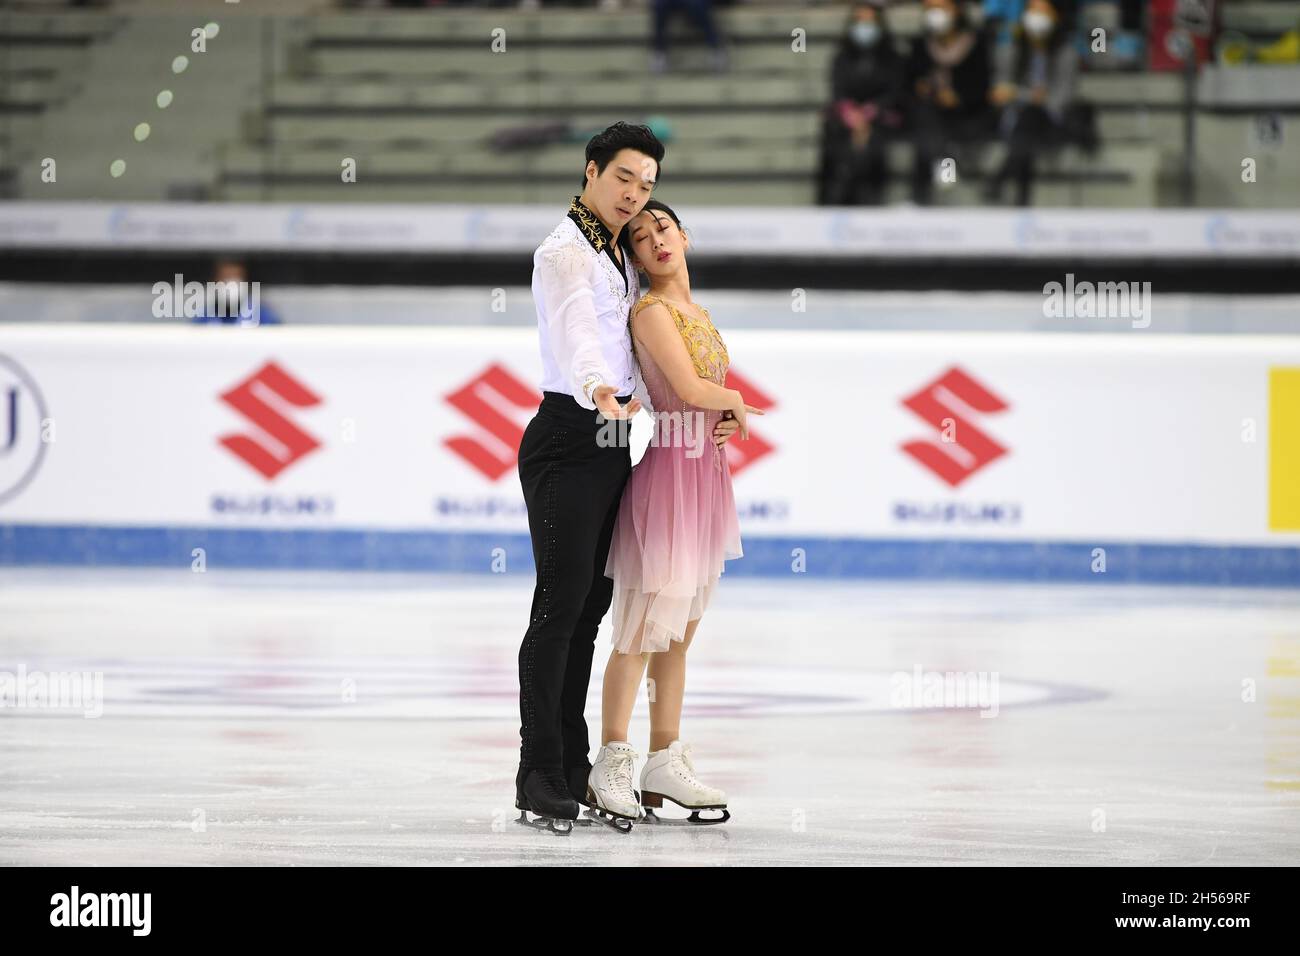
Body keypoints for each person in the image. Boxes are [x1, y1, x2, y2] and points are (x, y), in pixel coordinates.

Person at [514, 123, 739, 835]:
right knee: (560, 607)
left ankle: (577, 761)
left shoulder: (619, 252)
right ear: (590, 171)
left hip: (612, 440)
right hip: (570, 432)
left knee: (589, 610)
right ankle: (537, 773)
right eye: (623, 181)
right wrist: (598, 388)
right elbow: (577, 331)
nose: (633, 196)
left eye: (646, 187)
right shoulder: (564, 253)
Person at [584, 199, 763, 830]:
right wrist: (735, 401)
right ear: (633, 257)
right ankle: (611, 759)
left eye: (663, 227)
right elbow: (688, 391)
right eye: (640, 236)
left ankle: (664, 756)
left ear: (684, 235)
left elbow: (708, 398)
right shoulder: (651, 311)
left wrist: (730, 414)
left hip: (706, 481)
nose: (656, 238)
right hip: (668, 477)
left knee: (680, 634)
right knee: (637, 630)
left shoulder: (698, 312)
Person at [983, 0, 1096, 205]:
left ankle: (1002, 182)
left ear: (1056, 17)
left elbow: (1061, 98)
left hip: (1052, 121)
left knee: (1029, 120)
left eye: (1043, 11)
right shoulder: (1013, 50)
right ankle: (1018, 200)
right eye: (1032, 10)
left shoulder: (1066, 53)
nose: (1036, 16)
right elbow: (1000, 90)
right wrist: (1029, 96)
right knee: (1026, 123)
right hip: (1014, 118)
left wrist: (1022, 96)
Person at [817, 1, 906, 206]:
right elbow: (837, 90)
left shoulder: (893, 58)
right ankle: (832, 198)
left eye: (869, 21)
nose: (864, 26)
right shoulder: (842, 57)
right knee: (833, 134)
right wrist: (851, 114)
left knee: (872, 142)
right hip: (847, 117)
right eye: (859, 21)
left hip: (881, 116)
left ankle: (871, 198)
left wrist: (869, 112)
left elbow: (895, 92)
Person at [906, 0, 993, 205]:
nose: (935, 13)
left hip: (968, 113)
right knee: (930, 128)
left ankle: (943, 183)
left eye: (942, 7)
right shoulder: (921, 45)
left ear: (957, 10)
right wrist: (922, 88)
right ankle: (931, 189)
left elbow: (983, 85)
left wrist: (958, 97)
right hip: (930, 116)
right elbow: (908, 82)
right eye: (930, 8)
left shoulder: (975, 44)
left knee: (941, 132)